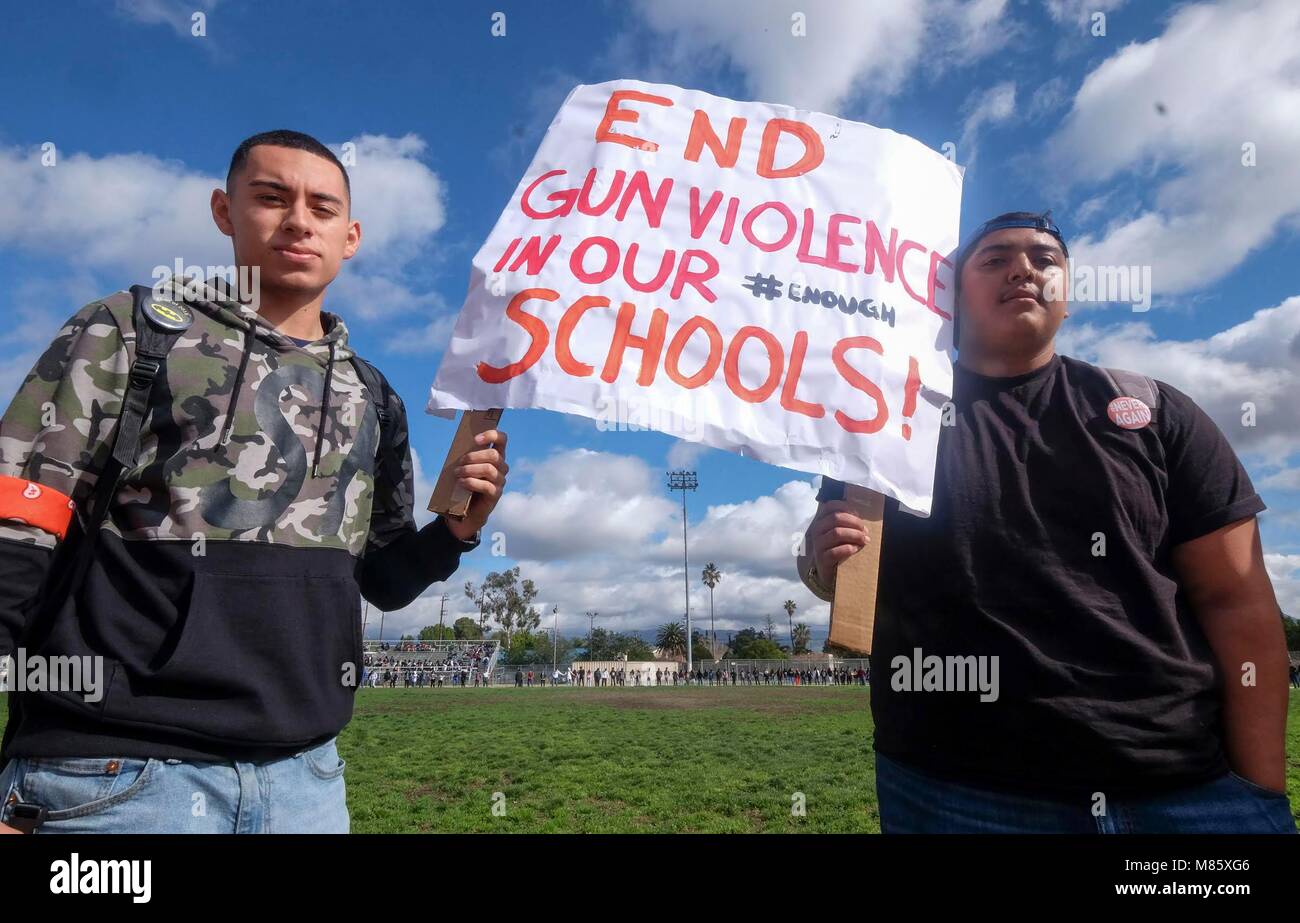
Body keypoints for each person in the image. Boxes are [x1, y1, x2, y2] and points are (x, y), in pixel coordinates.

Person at [0, 131, 509, 834]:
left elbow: (383, 582)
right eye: (272, 198)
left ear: (351, 236)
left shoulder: (373, 396)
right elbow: (16, 532)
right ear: (224, 210)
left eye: (323, 208)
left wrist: (454, 533)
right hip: (113, 778)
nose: (299, 221)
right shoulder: (130, 331)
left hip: (307, 781)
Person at [800, 211, 1295, 834]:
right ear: (949, 298)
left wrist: (1259, 793)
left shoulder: (1154, 410)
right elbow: (834, 569)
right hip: (952, 792)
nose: (1023, 270)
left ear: (1067, 298)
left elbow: (1236, 600)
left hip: (1182, 791)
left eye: (1045, 260)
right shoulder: (881, 421)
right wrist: (819, 563)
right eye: (995, 259)